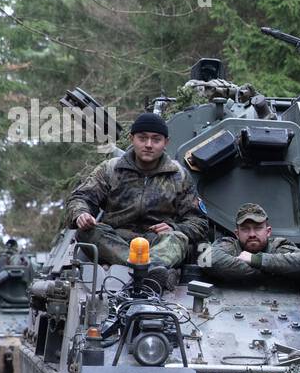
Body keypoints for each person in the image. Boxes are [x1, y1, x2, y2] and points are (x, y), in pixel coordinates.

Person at [66, 112, 209, 284]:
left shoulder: (178, 175)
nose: (149, 145)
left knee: (178, 239)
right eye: (142, 138)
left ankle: (149, 267)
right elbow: (81, 197)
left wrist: (173, 227)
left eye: (156, 139)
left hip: (157, 243)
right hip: (115, 240)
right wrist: (82, 214)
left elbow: (199, 222)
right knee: (88, 232)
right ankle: (147, 271)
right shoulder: (111, 169)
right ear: (132, 138)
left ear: (166, 143)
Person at [202, 202, 300, 282]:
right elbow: (206, 258)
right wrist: (273, 270)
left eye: (258, 228)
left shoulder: (278, 246)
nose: (252, 234)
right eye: (245, 229)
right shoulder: (229, 245)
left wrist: (257, 260)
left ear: (268, 232)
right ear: (237, 234)